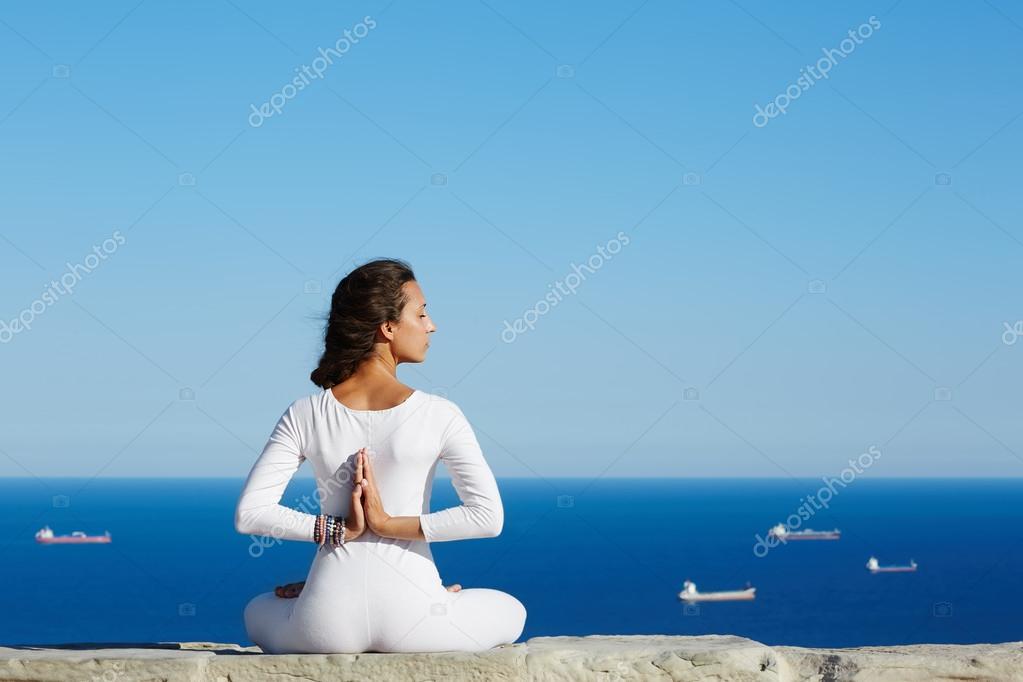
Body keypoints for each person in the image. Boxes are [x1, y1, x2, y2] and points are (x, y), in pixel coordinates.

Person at [235, 258, 526, 654]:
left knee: (258, 608)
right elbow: (487, 518)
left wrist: (339, 531)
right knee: (512, 609)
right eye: (421, 314)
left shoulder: (305, 412)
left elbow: (251, 514)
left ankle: (317, 591)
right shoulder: (439, 413)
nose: (431, 325)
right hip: (420, 622)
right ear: (388, 328)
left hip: (325, 625)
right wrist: (387, 525)